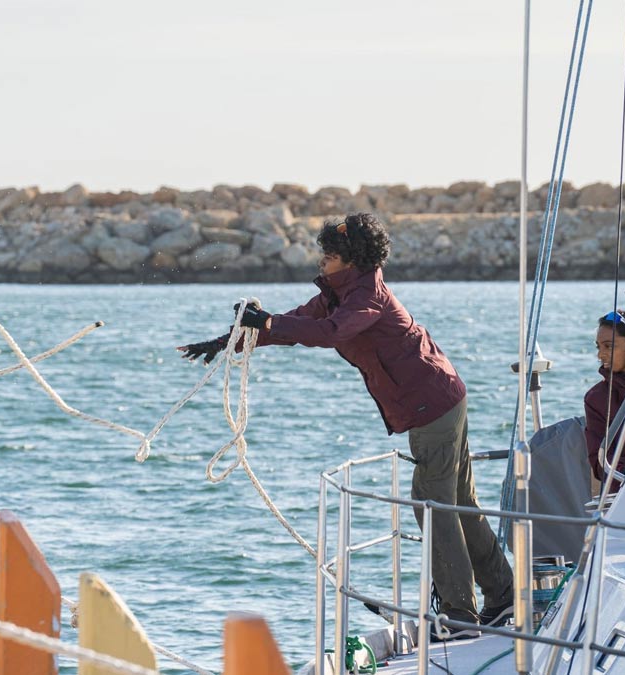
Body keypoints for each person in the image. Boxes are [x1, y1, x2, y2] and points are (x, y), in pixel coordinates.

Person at [178, 212, 514, 639]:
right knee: (456, 501)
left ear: (351, 261)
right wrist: (231, 339)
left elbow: (331, 332)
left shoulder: (364, 297)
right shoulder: (340, 292)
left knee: (431, 502)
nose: (321, 261)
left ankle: (461, 617)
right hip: (438, 398)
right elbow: (298, 325)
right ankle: (502, 597)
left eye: (330, 255)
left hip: (432, 404)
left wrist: (266, 321)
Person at [583, 309, 625, 488]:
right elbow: (599, 460)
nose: (600, 355)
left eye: (609, 346)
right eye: (599, 347)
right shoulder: (595, 399)